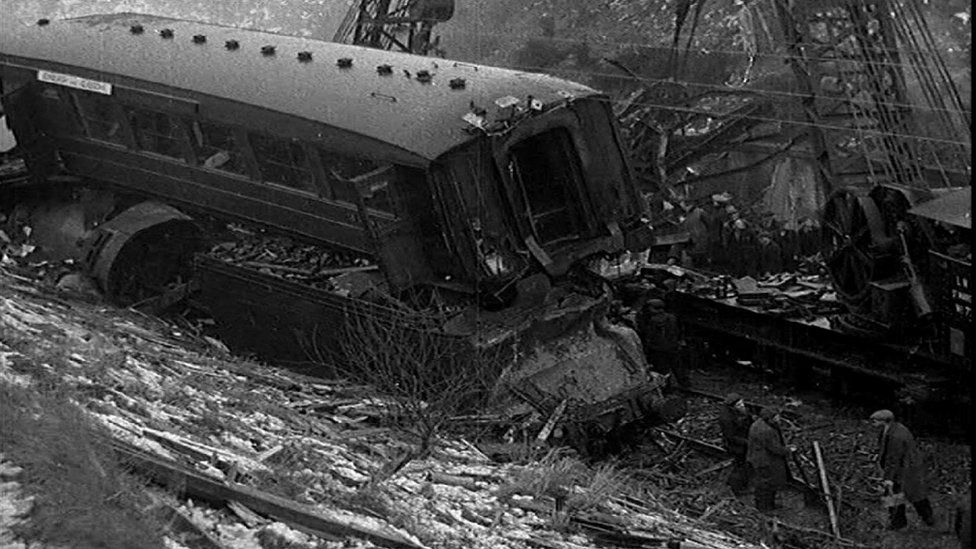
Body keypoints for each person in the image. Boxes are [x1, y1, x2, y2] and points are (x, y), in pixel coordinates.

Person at [870, 409, 936, 529]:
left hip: (906, 469)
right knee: (898, 495)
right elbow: (886, 451)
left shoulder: (896, 435)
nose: (872, 423)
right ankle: (899, 522)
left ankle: (928, 519)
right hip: (903, 467)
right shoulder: (889, 430)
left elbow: (893, 457)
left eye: (874, 421)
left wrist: (888, 478)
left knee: (912, 494)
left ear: (884, 421)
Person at [748, 407, 790, 512]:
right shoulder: (767, 430)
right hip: (764, 461)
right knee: (767, 484)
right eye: (776, 416)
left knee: (763, 483)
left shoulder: (758, 424)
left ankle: (764, 505)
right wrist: (788, 450)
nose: (779, 418)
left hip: (757, 458)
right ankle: (765, 507)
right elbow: (775, 448)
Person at [635, 298, 686, 386]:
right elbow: (680, 330)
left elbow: (649, 334)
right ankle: (684, 383)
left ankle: (666, 386)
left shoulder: (653, 320)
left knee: (662, 369)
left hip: (658, 348)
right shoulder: (672, 317)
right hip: (673, 346)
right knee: (677, 367)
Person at [718, 392, 752, 495]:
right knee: (740, 466)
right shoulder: (726, 418)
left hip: (743, 438)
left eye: (742, 403)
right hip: (735, 445)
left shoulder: (738, 411)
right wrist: (748, 442)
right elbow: (731, 437)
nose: (742, 406)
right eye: (739, 405)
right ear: (732, 407)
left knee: (744, 464)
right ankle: (737, 488)